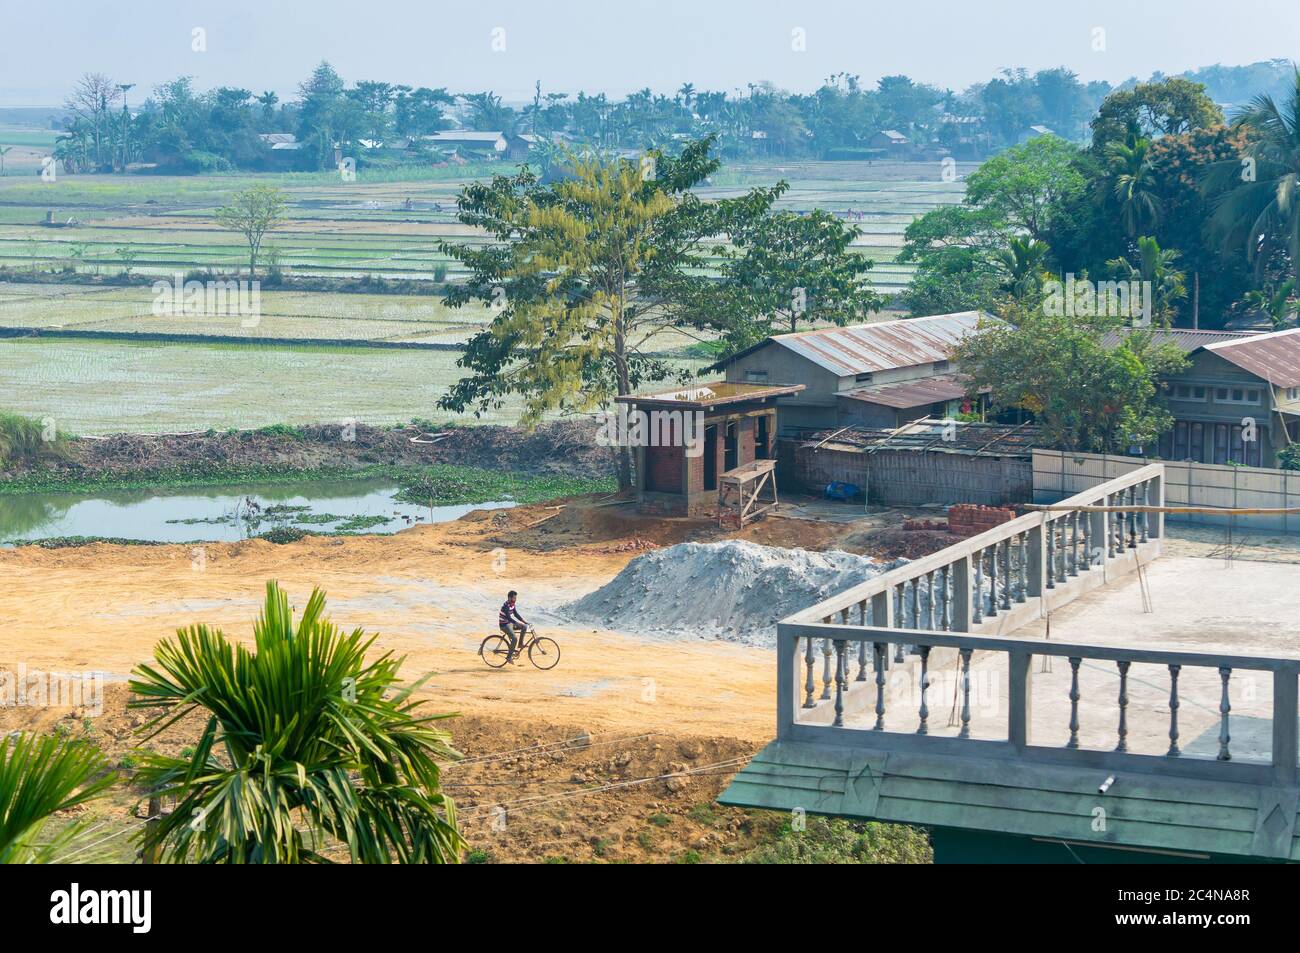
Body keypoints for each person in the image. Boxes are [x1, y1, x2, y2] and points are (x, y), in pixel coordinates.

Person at [498, 590, 528, 662]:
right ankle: (509, 657)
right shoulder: (506, 606)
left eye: (515, 598)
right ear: (509, 598)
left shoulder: (512, 605)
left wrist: (524, 621)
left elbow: (516, 614)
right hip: (504, 625)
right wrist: (516, 623)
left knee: (524, 627)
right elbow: (508, 617)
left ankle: (520, 644)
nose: (515, 600)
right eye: (514, 598)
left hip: (509, 623)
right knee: (514, 639)